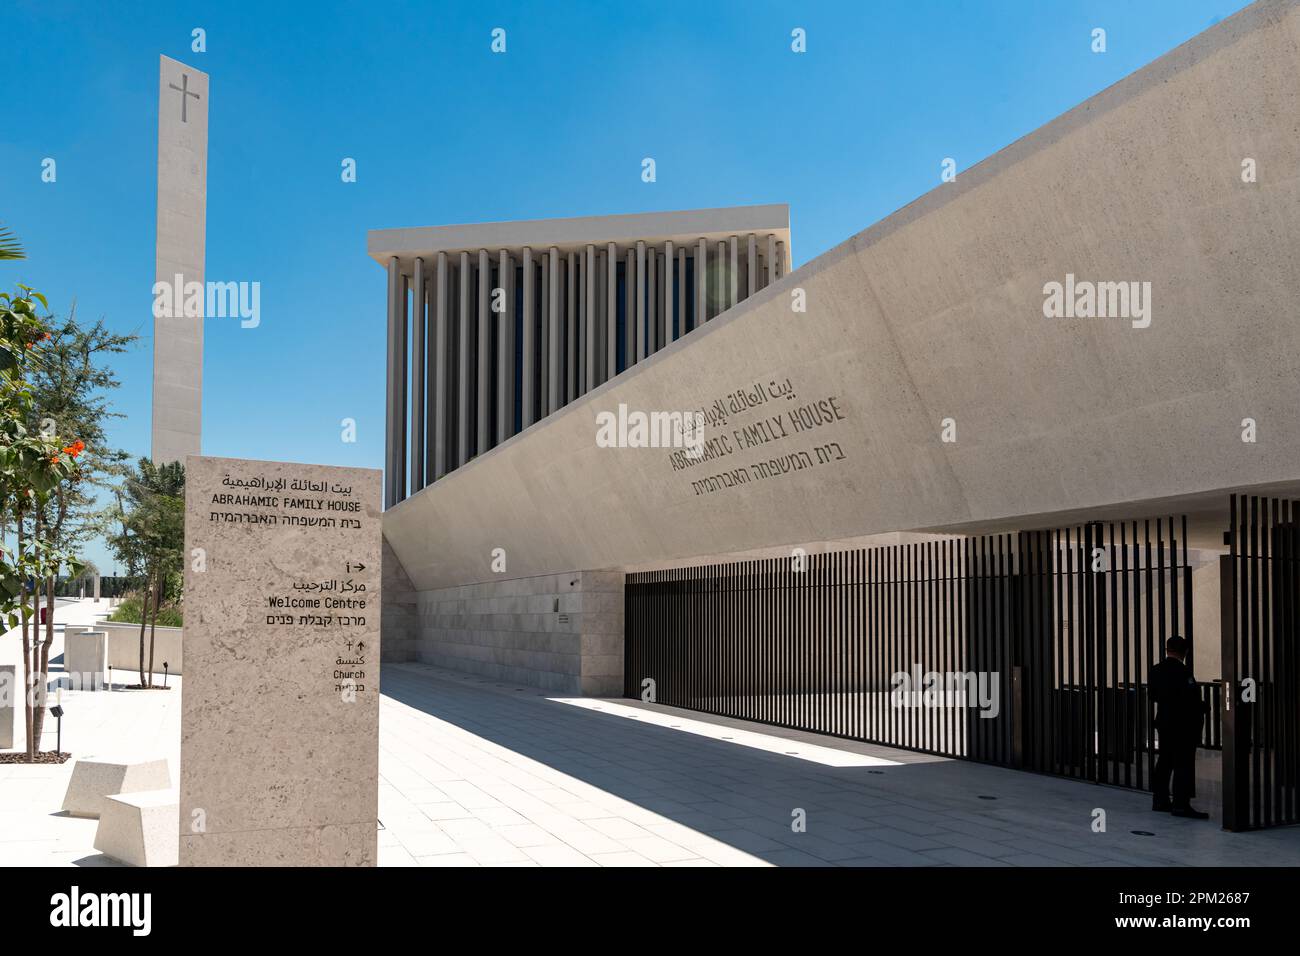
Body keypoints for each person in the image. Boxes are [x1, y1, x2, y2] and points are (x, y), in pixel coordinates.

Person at [1149, 635, 1209, 819]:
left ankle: (1160, 800)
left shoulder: (1155, 670)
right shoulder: (1184, 673)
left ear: (1167, 650)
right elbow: (1190, 700)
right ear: (1185, 652)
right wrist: (1203, 708)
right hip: (1183, 725)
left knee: (1165, 762)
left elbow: (1153, 695)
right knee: (1183, 764)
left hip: (1164, 722)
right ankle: (1181, 805)